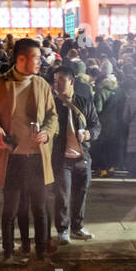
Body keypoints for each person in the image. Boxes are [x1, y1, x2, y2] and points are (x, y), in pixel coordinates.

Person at [0, 37, 58, 262]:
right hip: (10, 156)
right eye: (36, 58)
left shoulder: (41, 84)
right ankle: (8, 253)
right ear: (21, 58)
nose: (40, 62)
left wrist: (47, 131)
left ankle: (41, 252)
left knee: (40, 207)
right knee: (10, 210)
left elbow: (52, 115)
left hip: (36, 156)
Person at [50, 64, 101, 243]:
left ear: (71, 81)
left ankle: (77, 227)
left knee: (81, 193)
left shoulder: (83, 101)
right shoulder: (52, 104)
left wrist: (89, 134)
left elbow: (96, 124)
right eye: (55, 81)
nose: (57, 85)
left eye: (61, 81)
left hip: (82, 156)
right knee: (62, 195)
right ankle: (62, 230)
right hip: (62, 158)